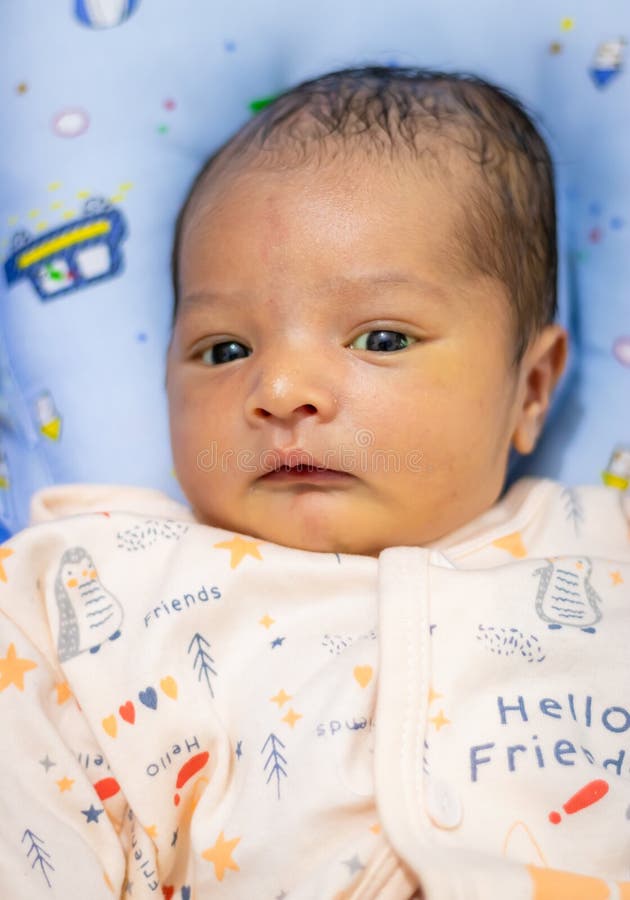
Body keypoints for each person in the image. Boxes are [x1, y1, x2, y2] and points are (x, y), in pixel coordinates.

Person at [1, 67, 629, 899]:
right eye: (225, 350)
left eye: (380, 337)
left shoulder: (602, 548)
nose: (281, 389)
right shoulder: (90, 589)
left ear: (532, 389)